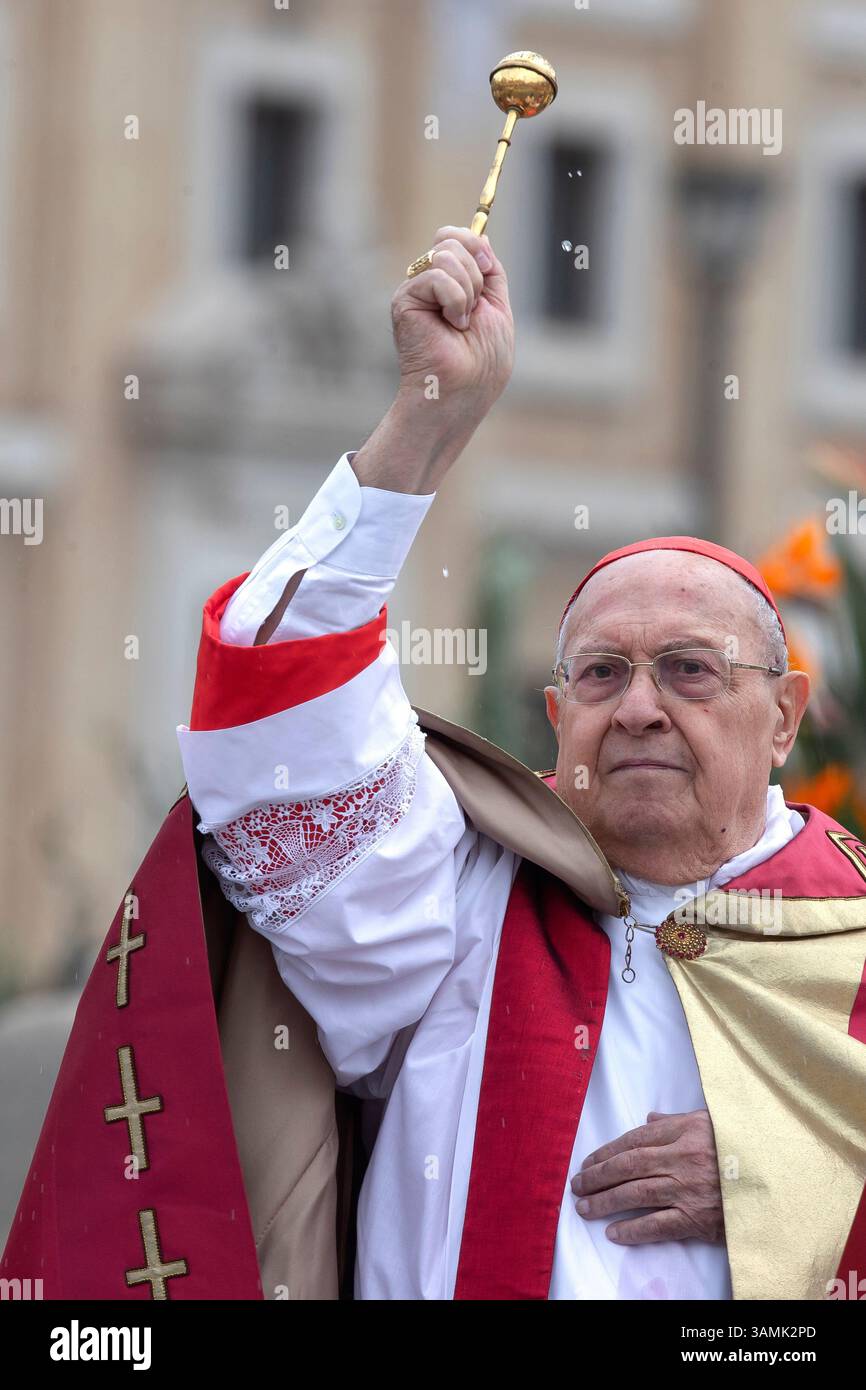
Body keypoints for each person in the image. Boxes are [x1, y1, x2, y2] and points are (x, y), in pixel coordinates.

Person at [5, 228, 866, 1302]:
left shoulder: (852, 938)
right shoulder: (452, 896)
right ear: (553, 711)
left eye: (688, 670)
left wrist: (781, 1174)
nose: (638, 707)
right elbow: (280, 703)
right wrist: (425, 418)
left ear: (784, 714)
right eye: (600, 675)